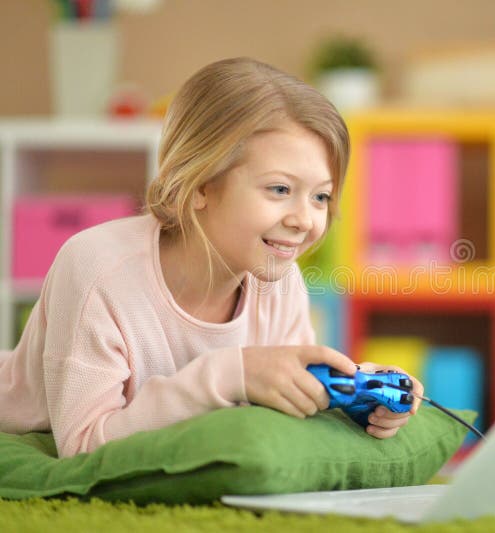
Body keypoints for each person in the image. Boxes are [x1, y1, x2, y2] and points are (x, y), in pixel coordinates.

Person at [0, 57, 423, 458]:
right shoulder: (97, 269)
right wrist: (231, 375)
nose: (304, 220)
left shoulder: (281, 282)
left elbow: (289, 410)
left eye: (321, 197)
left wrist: (353, 398)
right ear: (200, 184)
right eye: (279, 189)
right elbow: (82, 447)